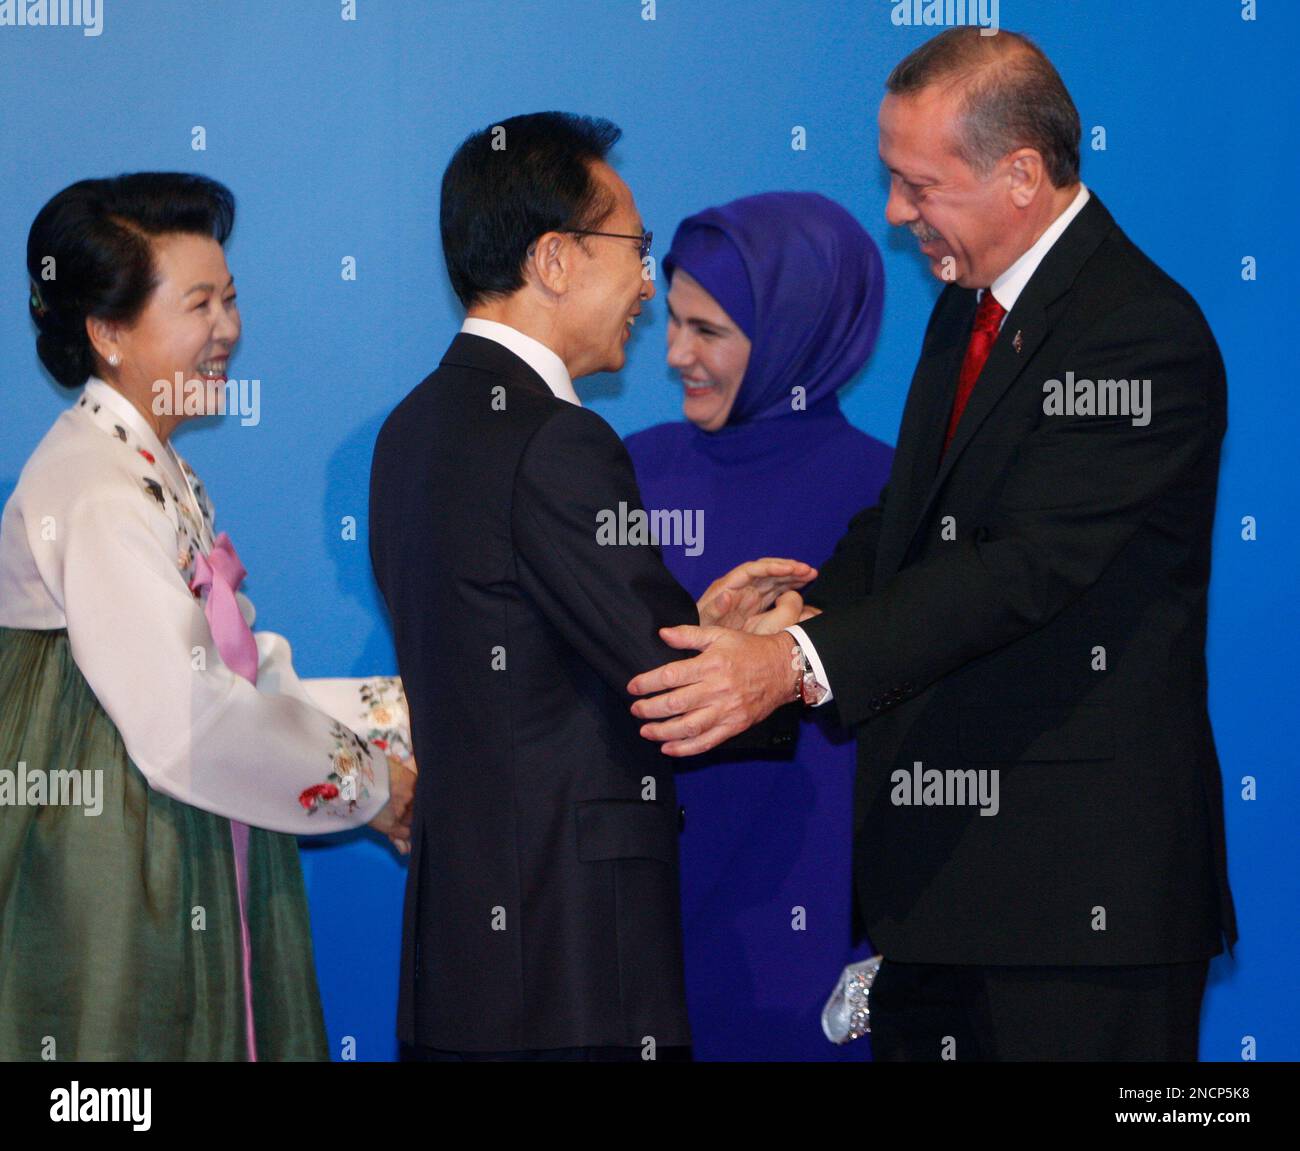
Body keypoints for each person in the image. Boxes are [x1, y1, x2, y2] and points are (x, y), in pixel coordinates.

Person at [627, 28, 1237, 1062]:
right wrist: (800, 606)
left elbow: (1020, 568)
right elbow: (911, 524)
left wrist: (792, 664)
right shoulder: (969, 308)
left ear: (1021, 175)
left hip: (1074, 915)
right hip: (938, 905)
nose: (895, 213)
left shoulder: (1140, 333)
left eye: (918, 185)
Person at [369, 113, 810, 1061]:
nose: (647, 286)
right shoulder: (556, 439)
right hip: (570, 958)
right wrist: (780, 656)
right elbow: (666, 686)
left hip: (465, 954)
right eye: (636, 249)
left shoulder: (411, 429)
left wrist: (693, 625)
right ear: (556, 259)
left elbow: (534, 657)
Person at [0, 173, 416, 1061]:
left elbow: (243, 673)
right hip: (117, 853)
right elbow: (189, 716)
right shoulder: (96, 485)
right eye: (198, 304)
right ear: (108, 332)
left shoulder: (151, 466)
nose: (227, 329)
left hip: (174, 822)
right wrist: (376, 784)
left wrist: (399, 730)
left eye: (230, 299)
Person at [623, 191, 892, 1060]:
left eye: (709, 331)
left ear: (794, 331)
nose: (674, 355)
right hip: (647, 900)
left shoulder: (888, 494)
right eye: (672, 322)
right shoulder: (631, 467)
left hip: (807, 913)